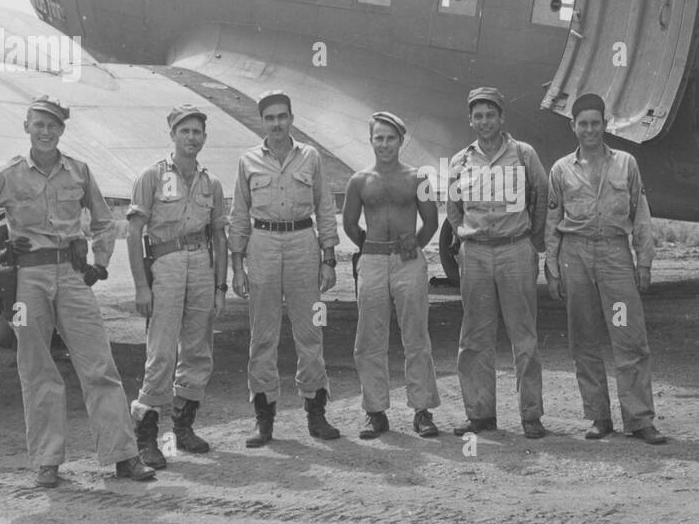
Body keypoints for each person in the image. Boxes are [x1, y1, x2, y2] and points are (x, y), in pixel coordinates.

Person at [0, 95, 155, 486]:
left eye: (53, 125)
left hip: (73, 277)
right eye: (39, 124)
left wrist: (101, 263)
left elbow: (104, 222)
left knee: (98, 364)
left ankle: (123, 455)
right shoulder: (7, 175)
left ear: (61, 130)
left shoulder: (78, 171)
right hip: (28, 282)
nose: (46, 131)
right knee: (37, 367)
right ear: (27, 127)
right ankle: (47, 461)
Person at [544, 93, 665, 444]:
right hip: (575, 257)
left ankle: (639, 418)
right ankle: (598, 416)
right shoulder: (561, 169)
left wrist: (644, 261)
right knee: (584, 338)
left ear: (605, 124)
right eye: (583, 124)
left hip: (614, 258)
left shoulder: (626, 163)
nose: (589, 130)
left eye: (595, 123)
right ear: (573, 126)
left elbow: (640, 216)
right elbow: (553, 221)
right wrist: (552, 267)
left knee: (627, 337)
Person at [229, 91, 340, 446]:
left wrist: (329, 258)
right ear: (262, 122)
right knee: (263, 335)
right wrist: (237, 267)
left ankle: (315, 412)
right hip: (262, 243)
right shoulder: (247, 161)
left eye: (282, 116)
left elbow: (325, 207)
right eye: (270, 118)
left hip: (301, 242)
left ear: (291, 118)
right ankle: (264, 418)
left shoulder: (310, 156)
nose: (276, 123)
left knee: (310, 332)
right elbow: (238, 216)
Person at [125, 105, 229, 467]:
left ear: (204, 137)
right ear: (172, 135)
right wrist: (142, 286)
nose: (191, 137)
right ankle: (147, 437)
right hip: (166, 264)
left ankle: (183, 427)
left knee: (198, 349)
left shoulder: (210, 183)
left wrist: (220, 287)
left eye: (197, 131)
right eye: (184, 131)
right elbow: (134, 232)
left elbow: (219, 235)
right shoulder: (151, 176)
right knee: (162, 351)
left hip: (201, 263)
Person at [445, 87, 550, 438]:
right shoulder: (461, 160)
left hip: (515, 250)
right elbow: (453, 206)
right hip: (475, 253)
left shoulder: (523, 154)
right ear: (470, 119)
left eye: (491, 114)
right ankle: (480, 414)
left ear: (501, 118)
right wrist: (462, 237)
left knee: (524, 336)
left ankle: (531, 416)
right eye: (478, 115)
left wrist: (532, 240)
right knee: (474, 337)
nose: (485, 121)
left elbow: (540, 195)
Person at [342, 112, 442, 439]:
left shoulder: (419, 178)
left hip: (408, 261)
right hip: (372, 259)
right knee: (369, 337)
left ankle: (423, 411)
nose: (385, 144)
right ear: (370, 140)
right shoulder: (359, 180)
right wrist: (371, 248)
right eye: (379, 138)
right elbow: (349, 223)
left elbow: (430, 222)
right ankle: (375, 411)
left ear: (401, 141)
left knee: (416, 334)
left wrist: (414, 245)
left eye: (391, 138)